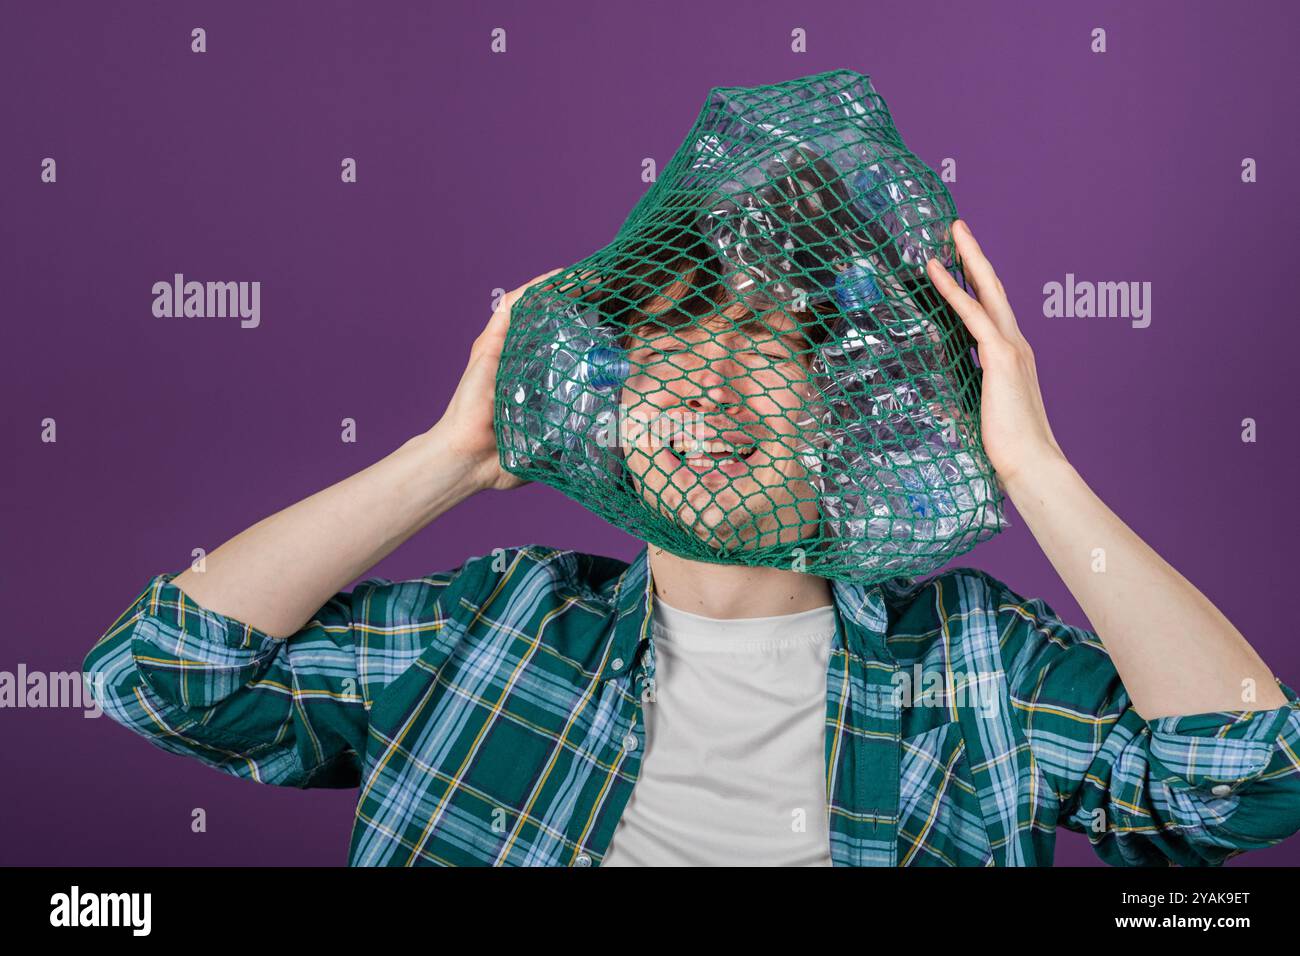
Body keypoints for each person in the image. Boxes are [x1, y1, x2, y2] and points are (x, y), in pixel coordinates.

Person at [84, 219, 1300, 867]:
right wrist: (449, 457)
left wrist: (1034, 466)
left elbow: (1249, 777)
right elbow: (158, 674)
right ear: (612, 401)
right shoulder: (490, 624)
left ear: (838, 407)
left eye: (764, 347)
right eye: (667, 344)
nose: (708, 386)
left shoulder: (978, 660)